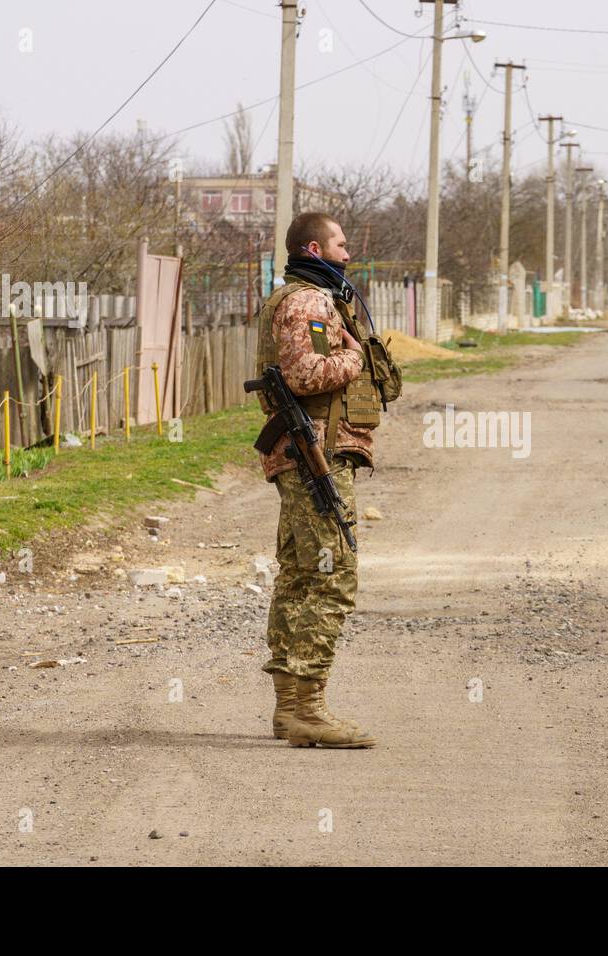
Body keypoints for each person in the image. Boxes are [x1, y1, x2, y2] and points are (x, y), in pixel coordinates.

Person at [255, 211, 381, 749]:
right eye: (341, 245)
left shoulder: (308, 298)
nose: (348, 255)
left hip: (312, 453)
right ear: (314, 249)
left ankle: (291, 709)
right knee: (332, 577)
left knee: (301, 576)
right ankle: (307, 708)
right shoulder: (309, 301)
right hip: (315, 456)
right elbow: (306, 374)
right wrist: (354, 356)